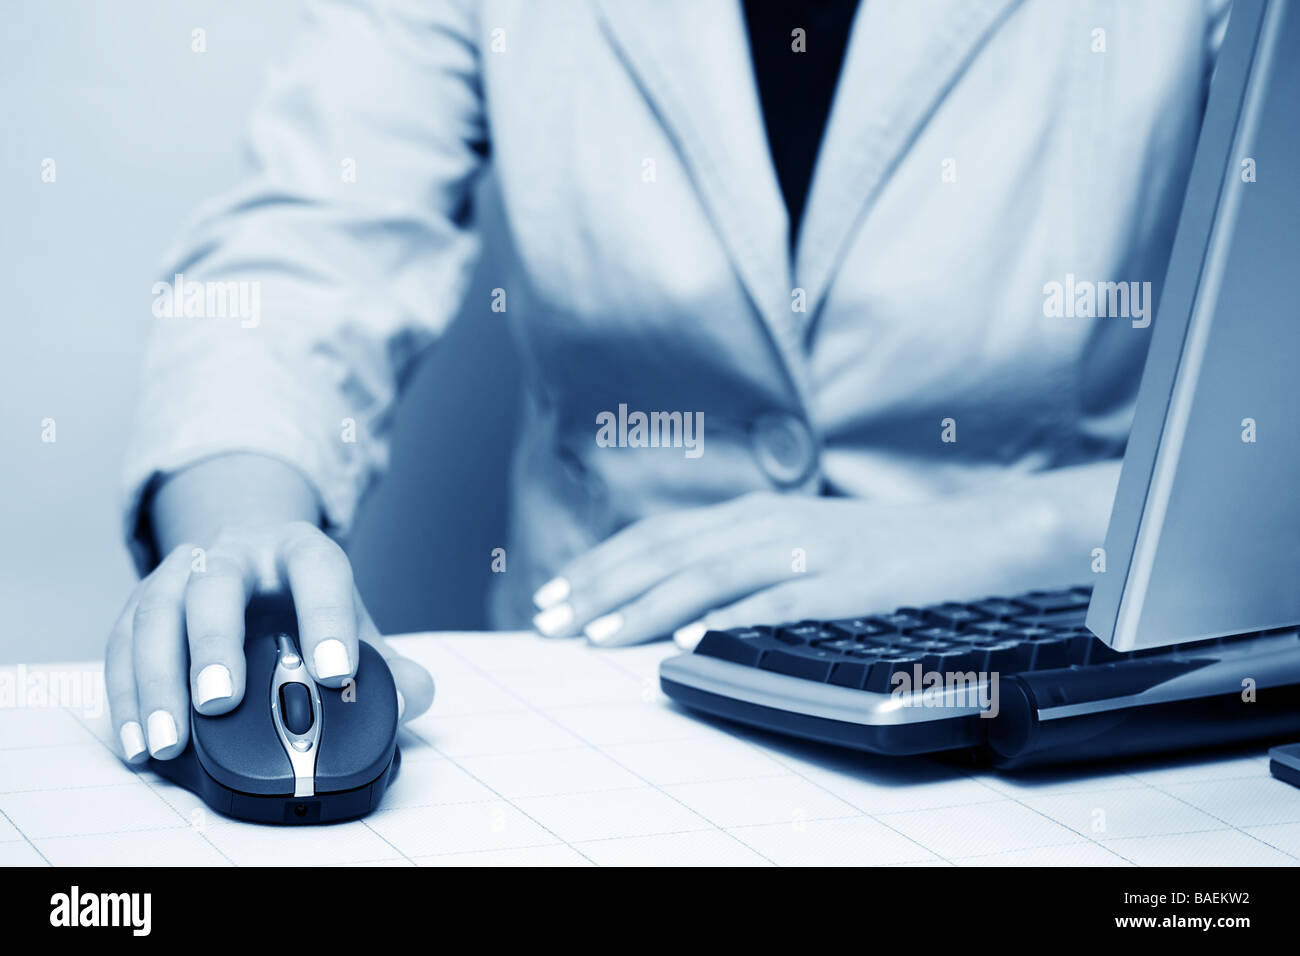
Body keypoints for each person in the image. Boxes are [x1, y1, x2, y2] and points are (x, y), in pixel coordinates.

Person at [107, 0, 1231, 764]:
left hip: (1059, 701)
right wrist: (243, 529)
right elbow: (304, 252)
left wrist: (1035, 529)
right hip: (610, 704)